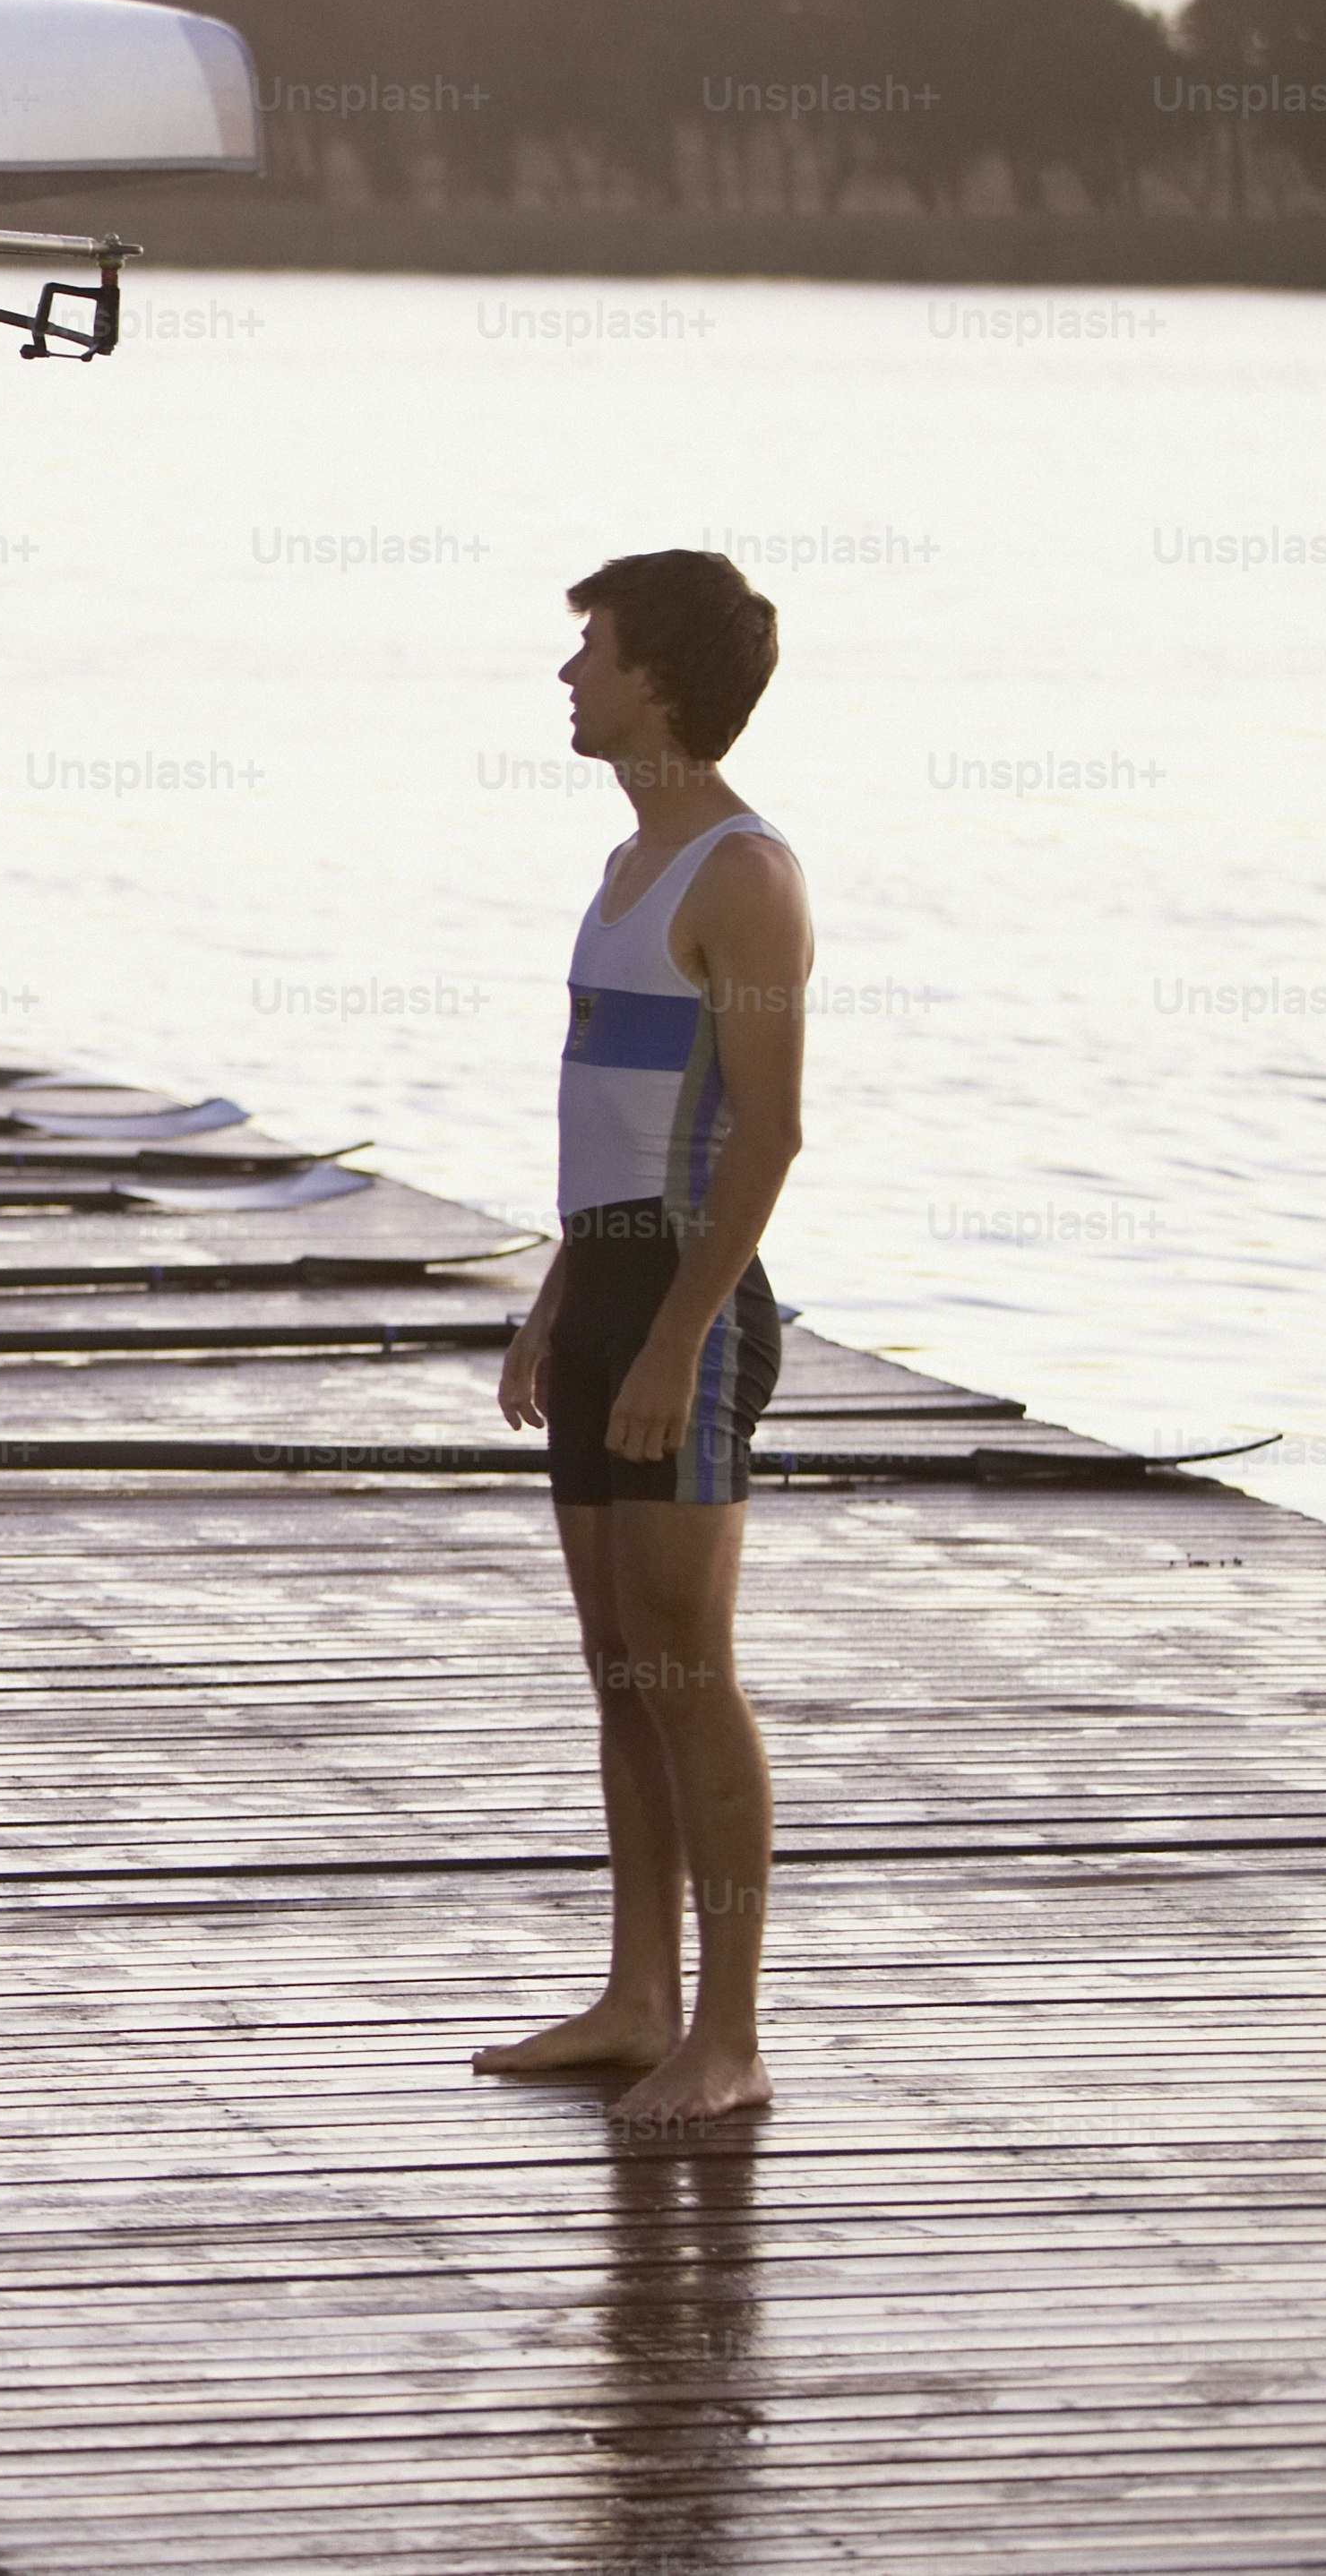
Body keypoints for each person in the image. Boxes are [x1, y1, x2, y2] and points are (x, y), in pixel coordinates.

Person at [481, 551, 808, 2128]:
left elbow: (767, 1140)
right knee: (620, 1671)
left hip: (692, 1304)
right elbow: (600, 1123)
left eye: (590, 650)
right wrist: (555, 1306)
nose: (567, 677)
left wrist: (681, 1340)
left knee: (689, 1672)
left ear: (659, 678)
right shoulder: (625, 866)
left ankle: (729, 2033)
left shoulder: (745, 871)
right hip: (608, 1286)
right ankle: (636, 1997)